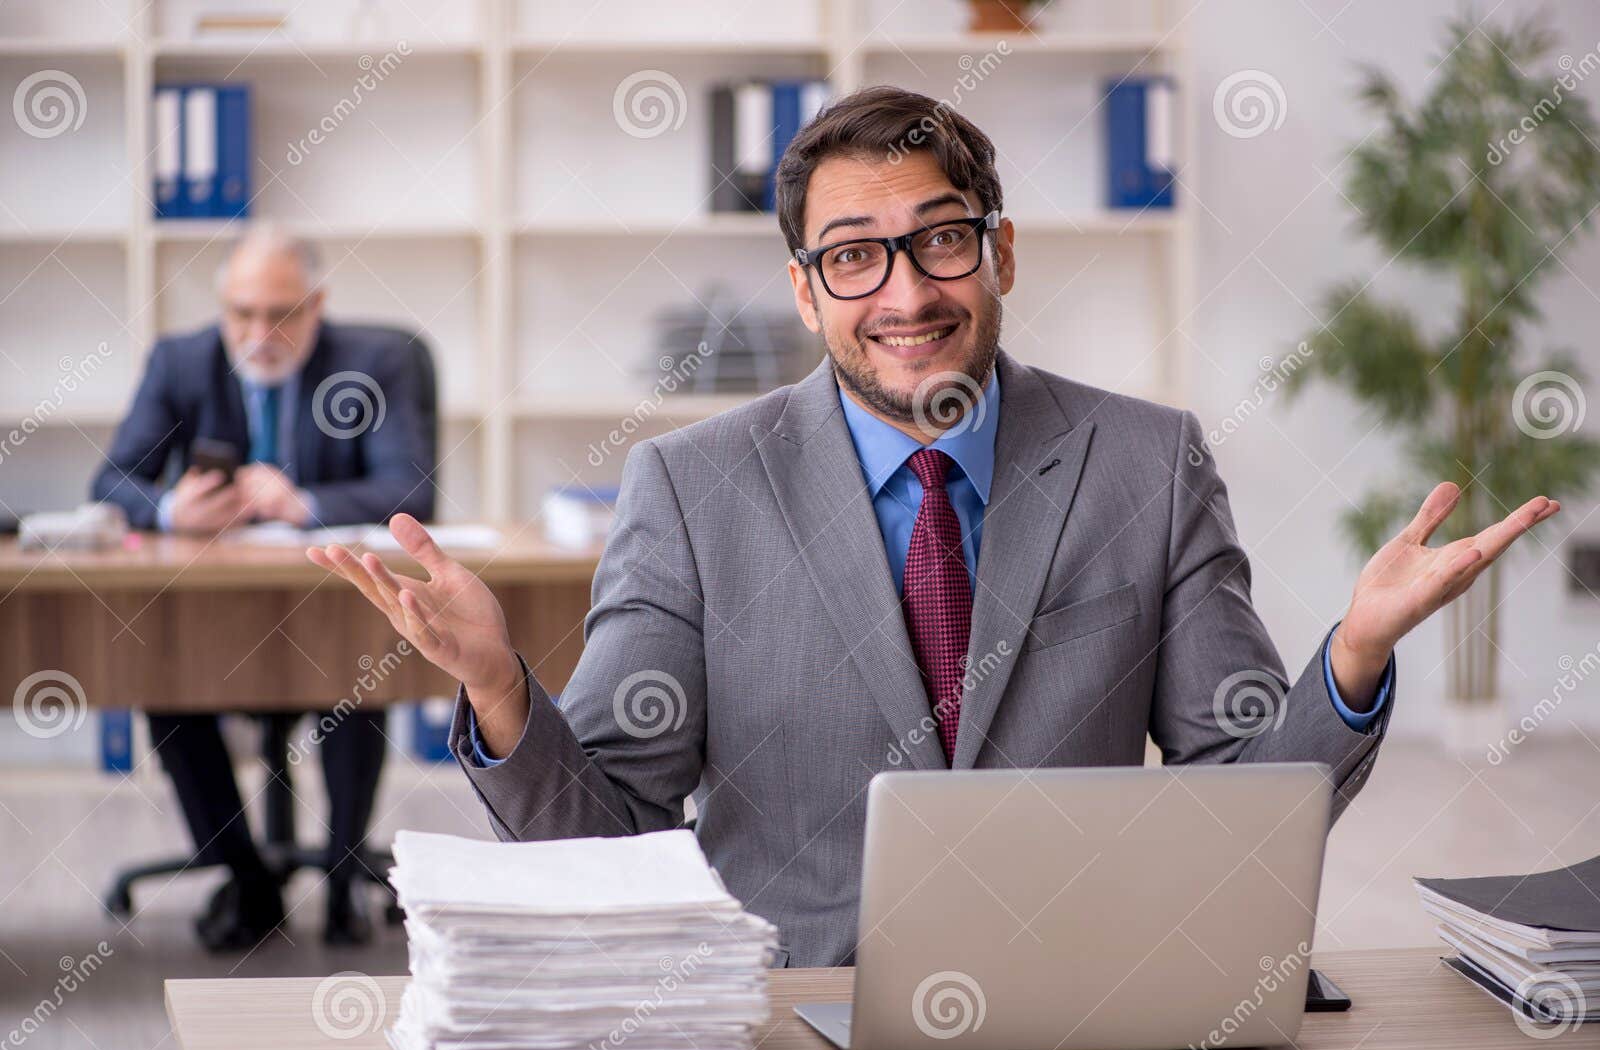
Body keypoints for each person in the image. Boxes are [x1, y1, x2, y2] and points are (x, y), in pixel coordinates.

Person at [310, 87, 1558, 969]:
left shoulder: (1145, 462)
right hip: (794, 1011)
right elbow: (613, 835)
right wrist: (499, 690)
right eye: (854, 257)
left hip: (1082, 1003)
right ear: (805, 292)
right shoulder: (692, 489)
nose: (906, 294)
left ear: (999, 252)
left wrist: (1352, 657)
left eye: (940, 242)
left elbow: (1240, 806)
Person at [92, 222, 437, 951]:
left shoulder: (375, 362)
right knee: (161, 680)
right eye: (241, 314)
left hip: (332, 616)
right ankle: (246, 878)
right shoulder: (181, 361)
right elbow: (111, 481)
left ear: (317, 305)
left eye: (281, 314)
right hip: (213, 621)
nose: (259, 334)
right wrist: (169, 509)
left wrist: (300, 503)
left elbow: (412, 491)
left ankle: (342, 881)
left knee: (361, 672)